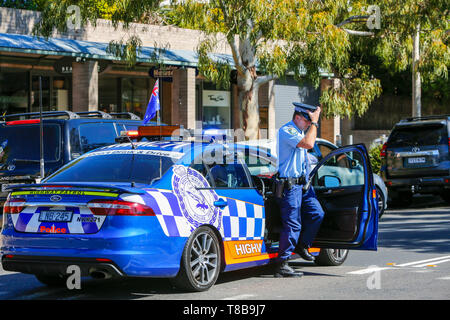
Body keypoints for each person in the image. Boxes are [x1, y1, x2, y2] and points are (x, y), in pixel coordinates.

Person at [273, 102, 325, 278]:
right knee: (293, 224)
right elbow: (309, 144)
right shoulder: (287, 131)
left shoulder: (300, 131)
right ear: (297, 117)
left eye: (310, 122)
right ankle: (282, 263)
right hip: (290, 186)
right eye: (307, 120)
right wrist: (316, 122)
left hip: (302, 185)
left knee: (317, 213)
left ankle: (303, 245)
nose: (309, 124)